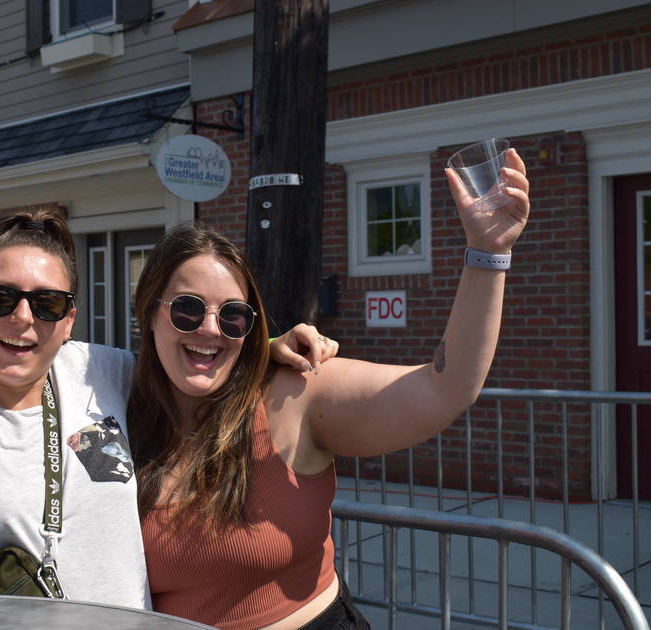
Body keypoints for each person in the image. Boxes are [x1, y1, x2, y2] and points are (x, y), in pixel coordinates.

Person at [0, 85, 335, 608]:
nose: (23, 317)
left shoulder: (98, 370)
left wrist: (258, 346)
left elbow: (189, 354)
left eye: (46, 304)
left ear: (69, 321)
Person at [129, 152, 531, 629]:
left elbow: (446, 387)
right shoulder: (112, 402)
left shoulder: (293, 392)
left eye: (234, 317)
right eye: (188, 311)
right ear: (149, 313)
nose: (211, 330)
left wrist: (487, 253)